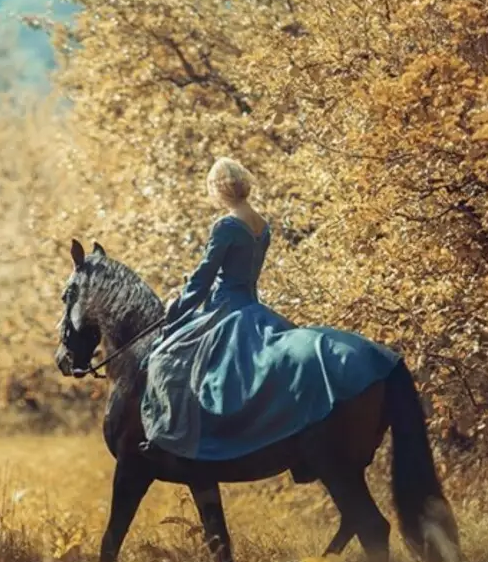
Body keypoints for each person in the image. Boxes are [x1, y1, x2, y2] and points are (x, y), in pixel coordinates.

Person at [139, 157, 401, 461]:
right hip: (252, 305)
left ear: (219, 188)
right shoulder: (262, 225)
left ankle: (166, 439)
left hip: (224, 310)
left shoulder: (225, 225)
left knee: (166, 357)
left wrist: (178, 308)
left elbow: (205, 275)